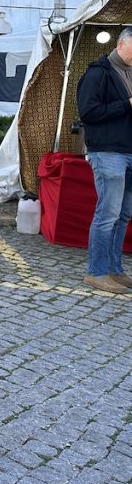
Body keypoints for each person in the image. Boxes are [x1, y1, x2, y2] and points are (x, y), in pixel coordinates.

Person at [76, 26, 132, 294]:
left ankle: (114, 270)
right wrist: (127, 104)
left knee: (123, 215)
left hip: (129, 151)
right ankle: (96, 272)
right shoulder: (98, 73)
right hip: (108, 152)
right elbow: (88, 112)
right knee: (107, 215)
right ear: (121, 44)